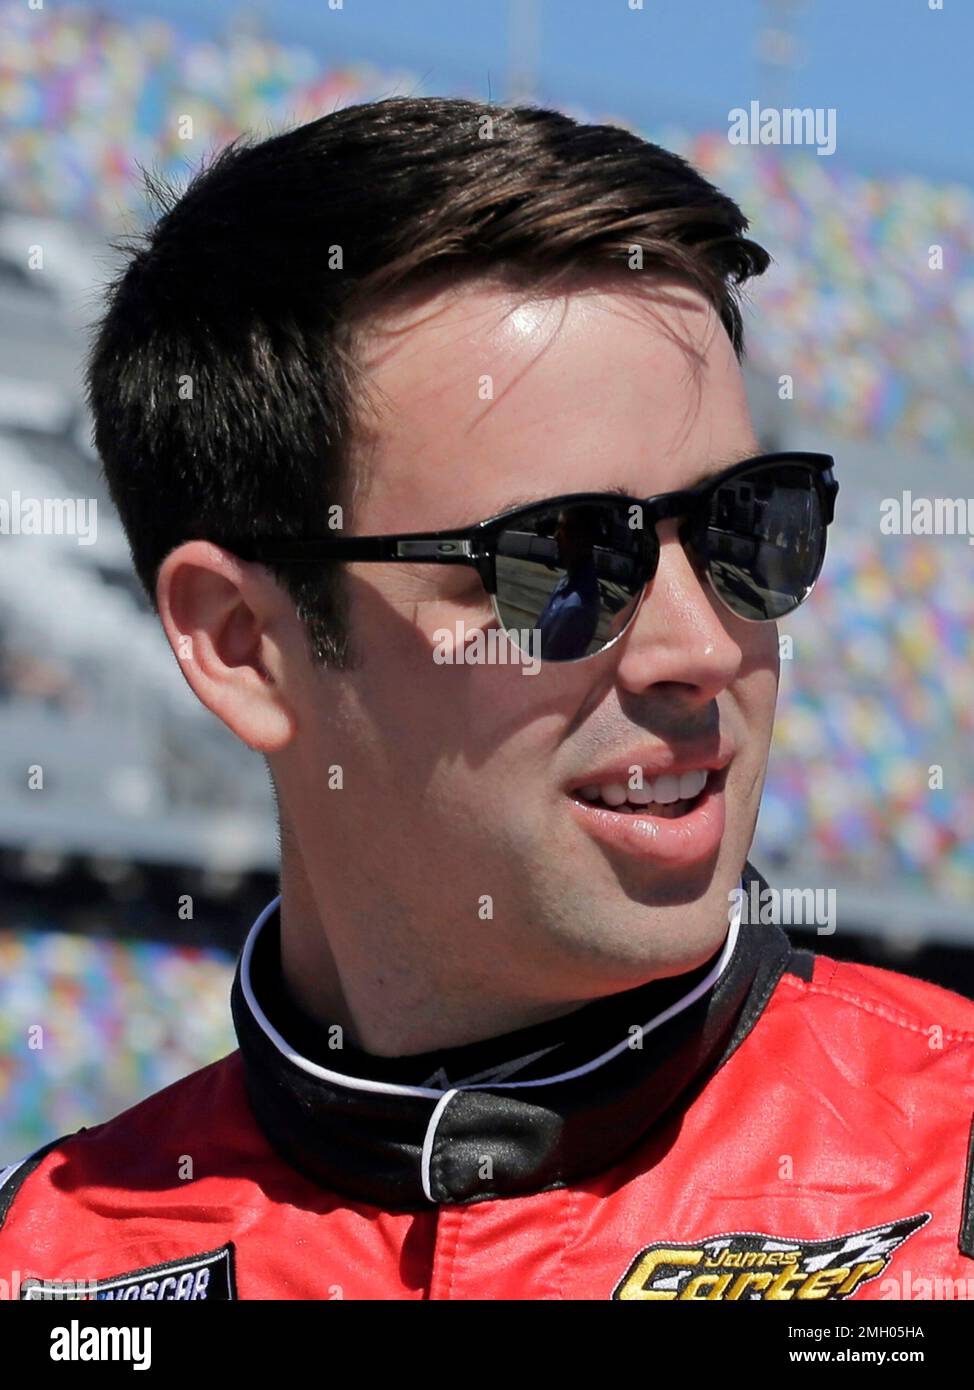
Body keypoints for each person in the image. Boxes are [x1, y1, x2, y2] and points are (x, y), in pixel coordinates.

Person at [2, 96, 972, 1303]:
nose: (700, 648)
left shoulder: (953, 1168)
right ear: (245, 644)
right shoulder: (48, 1268)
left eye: (745, 525)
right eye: (560, 558)